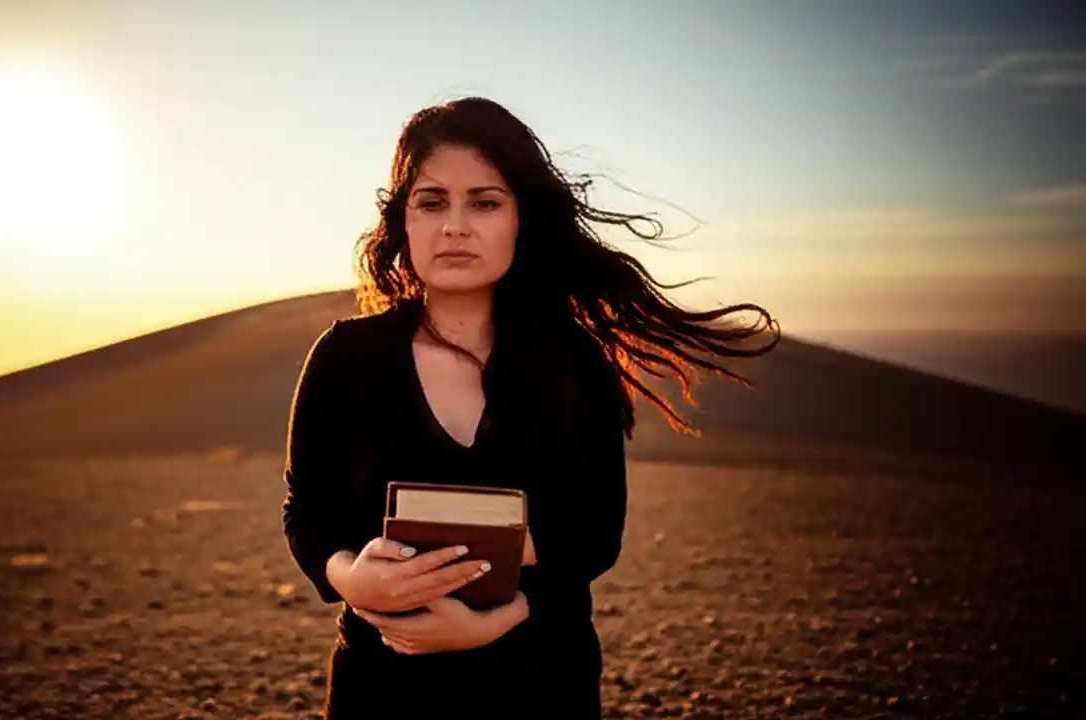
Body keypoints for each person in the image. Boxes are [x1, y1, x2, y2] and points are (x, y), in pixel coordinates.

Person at [281, 96, 780, 720]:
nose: (454, 225)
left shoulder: (574, 365)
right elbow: (307, 511)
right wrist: (351, 579)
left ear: (522, 219)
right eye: (432, 202)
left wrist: (503, 618)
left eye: (484, 202)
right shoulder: (344, 357)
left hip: (542, 682)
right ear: (403, 222)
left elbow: (594, 535)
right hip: (382, 686)